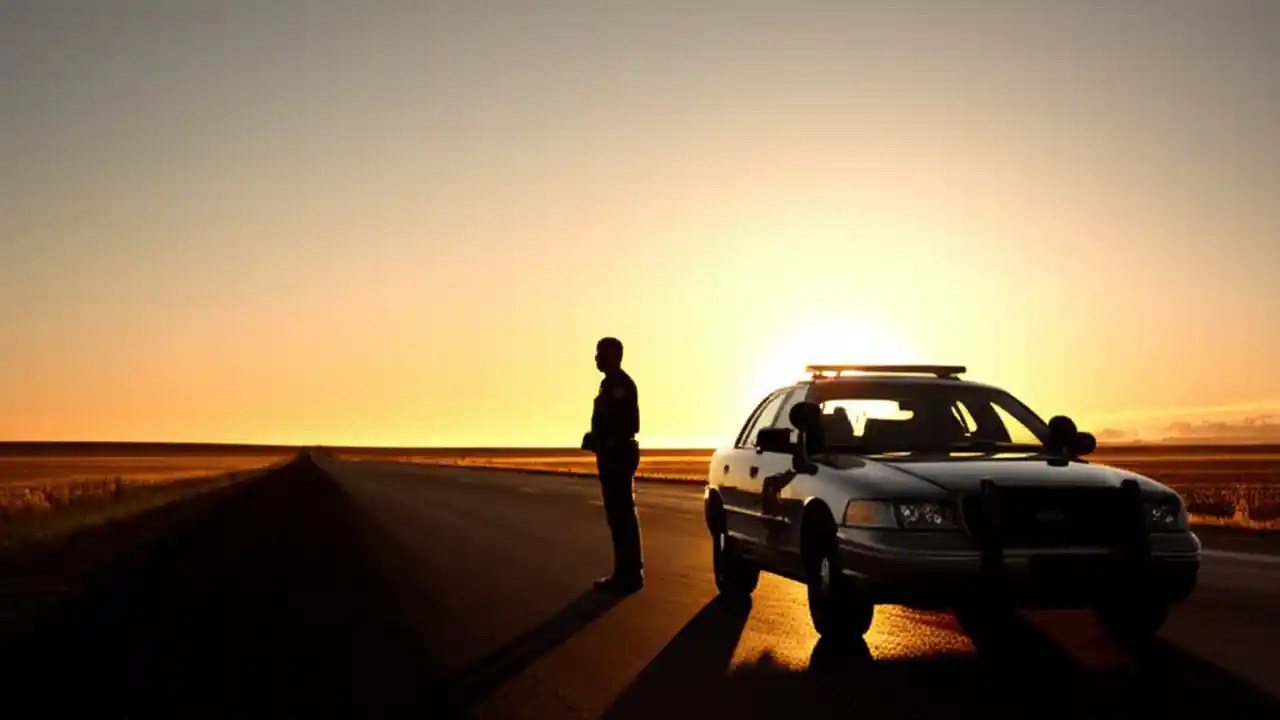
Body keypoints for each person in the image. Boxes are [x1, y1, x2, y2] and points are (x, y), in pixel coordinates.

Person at [580, 336, 644, 593]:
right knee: (618, 515)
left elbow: (624, 423)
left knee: (622, 514)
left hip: (618, 453)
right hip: (611, 453)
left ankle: (629, 573)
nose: (596, 358)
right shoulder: (609, 384)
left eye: (600, 353)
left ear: (613, 356)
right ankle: (625, 571)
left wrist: (603, 439)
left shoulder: (620, 384)